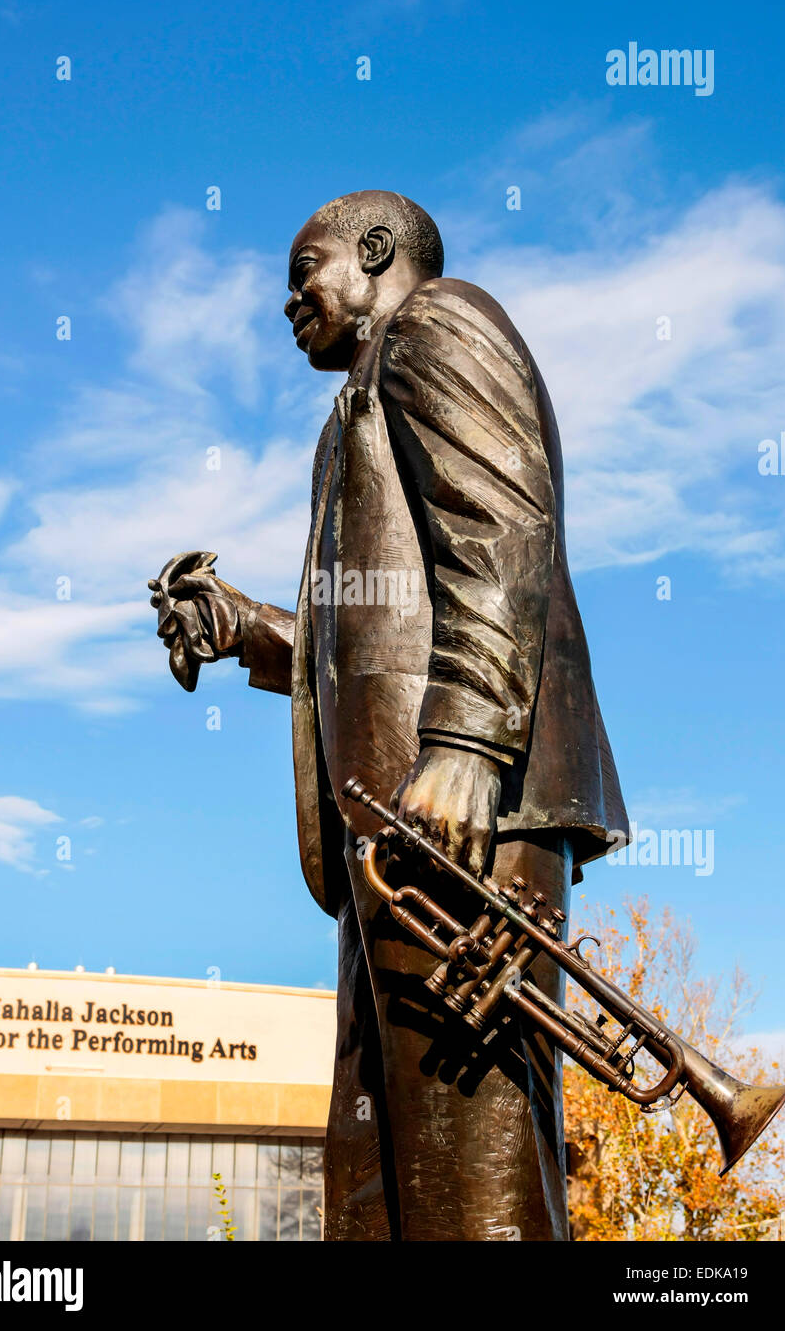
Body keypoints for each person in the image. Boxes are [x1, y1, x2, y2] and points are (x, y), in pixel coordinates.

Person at [150, 190, 629, 1240]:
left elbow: (503, 524)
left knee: (472, 1192)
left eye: (303, 269)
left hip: (460, 808)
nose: (289, 302)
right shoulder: (353, 408)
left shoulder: (436, 321)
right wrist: (237, 626)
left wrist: (463, 739)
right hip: (395, 831)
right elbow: (363, 640)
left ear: (373, 252)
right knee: (378, 1190)